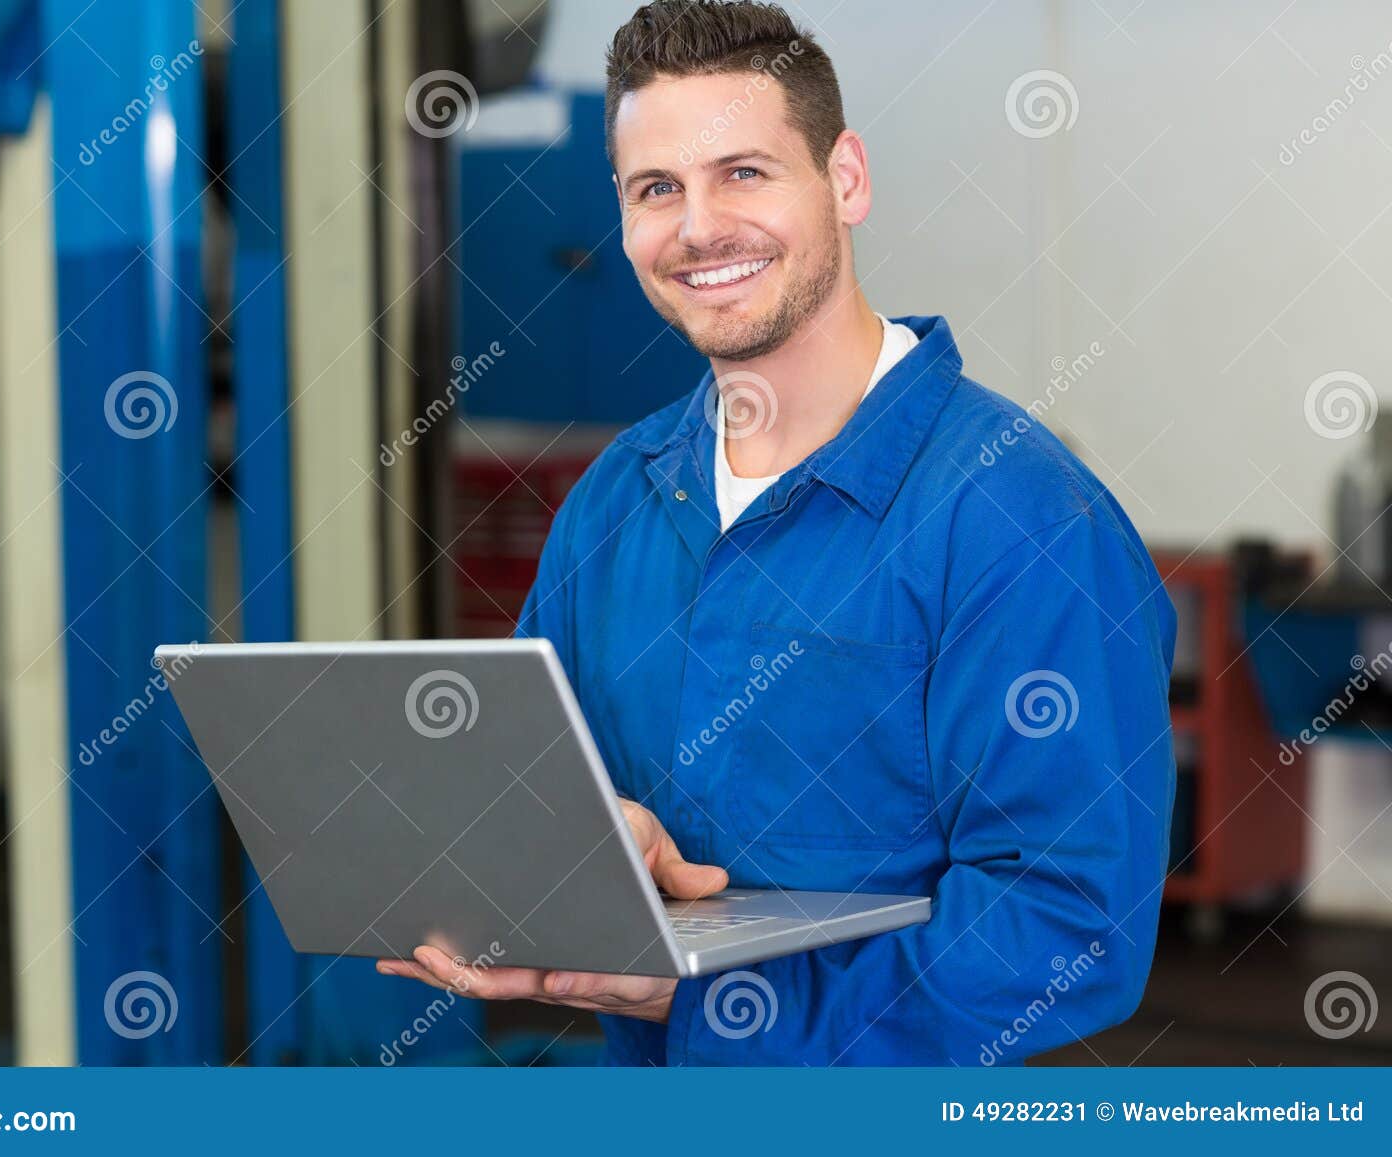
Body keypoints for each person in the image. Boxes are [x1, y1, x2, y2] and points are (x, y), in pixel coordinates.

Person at [377, 0, 1176, 1066]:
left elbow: (1065, 923)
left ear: (844, 179)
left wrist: (718, 1007)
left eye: (743, 172)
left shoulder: (1016, 513)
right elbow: (534, 778)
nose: (699, 227)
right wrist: (573, 853)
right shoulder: (619, 497)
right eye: (656, 188)